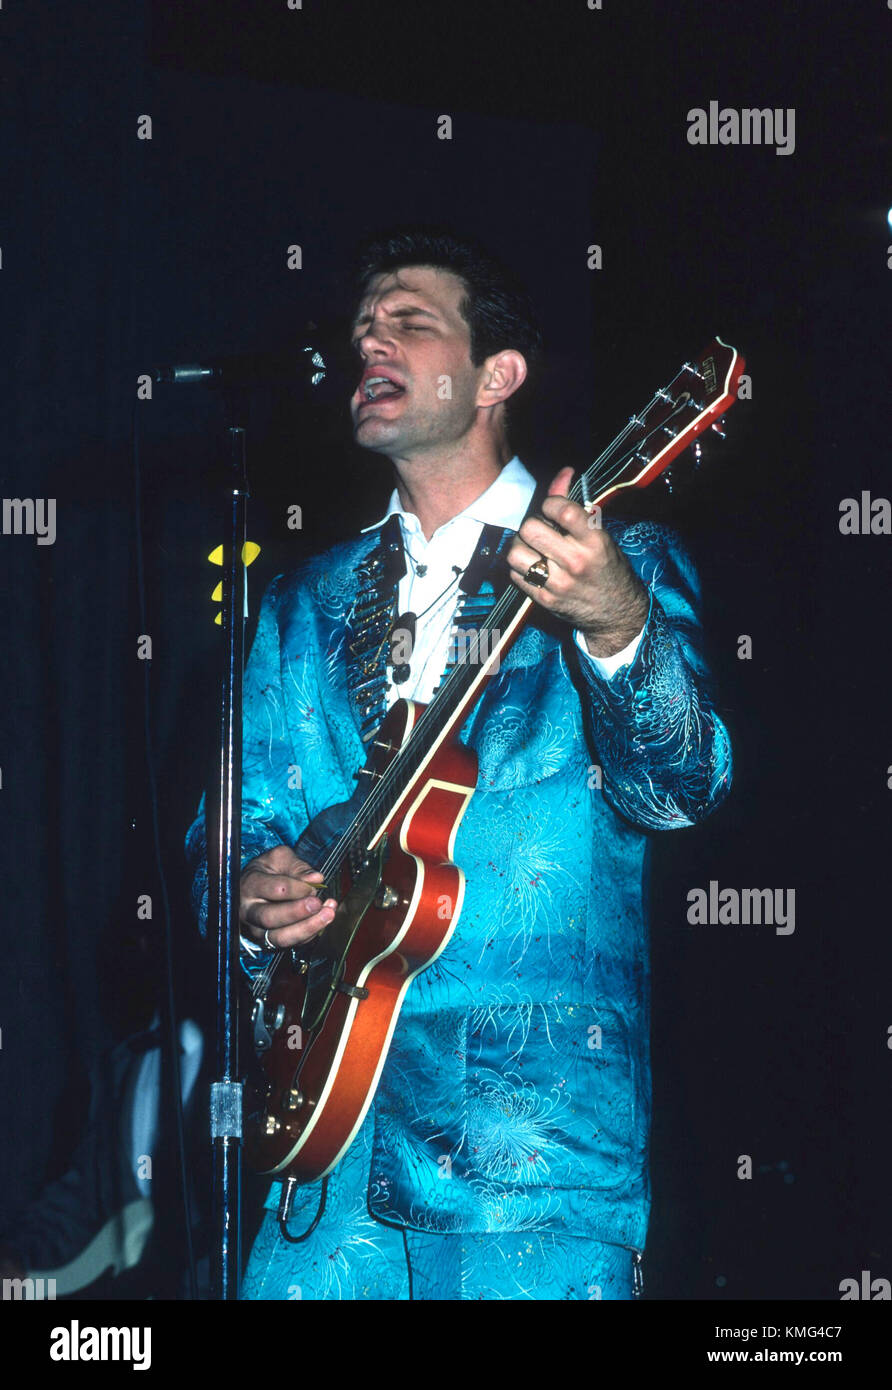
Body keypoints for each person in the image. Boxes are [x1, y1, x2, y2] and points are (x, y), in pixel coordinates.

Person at [186, 228, 732, 1300]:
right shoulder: (299, 604)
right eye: (360, 328)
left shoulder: (617, 558)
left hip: (525, 1169)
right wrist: (253, 902)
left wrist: (614, 617)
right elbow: (239, 835)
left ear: (498, 375)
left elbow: (680, 784)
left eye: (408, 320)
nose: (368, 342)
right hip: (320, 1152)